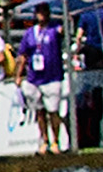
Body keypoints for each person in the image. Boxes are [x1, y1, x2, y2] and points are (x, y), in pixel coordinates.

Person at [19, 8, 67, 151]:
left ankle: (56, 141)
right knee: (40, 111)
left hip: (52, 76)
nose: (42, 16)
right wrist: (18, 74)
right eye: (39, 13)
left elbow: (63, 31)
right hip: (35, 78)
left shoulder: (54, 29)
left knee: (53, 110)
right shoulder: (29, 33)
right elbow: (22, 54)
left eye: (44, 13)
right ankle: (44, 140)